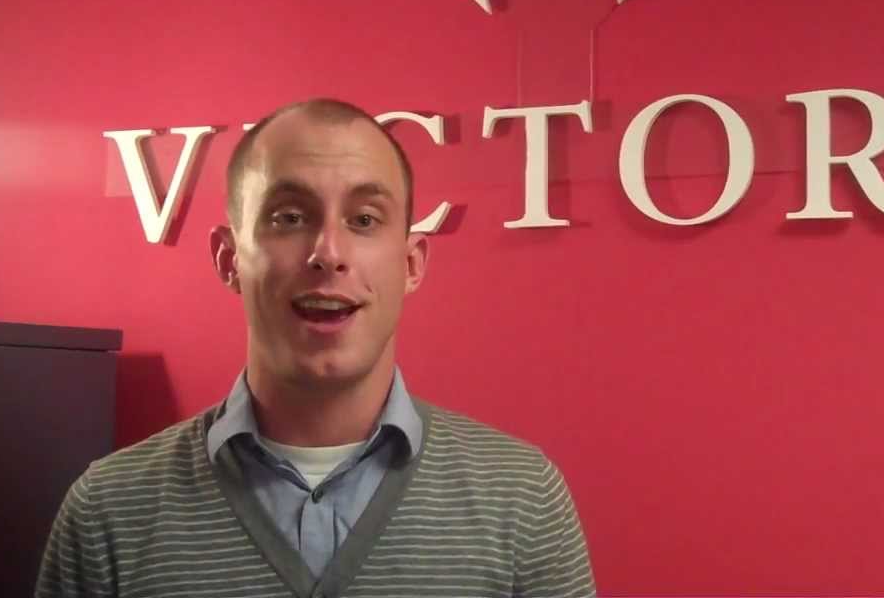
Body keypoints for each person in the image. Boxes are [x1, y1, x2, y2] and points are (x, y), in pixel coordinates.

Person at [35, 99, 595, 598]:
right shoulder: (108, 512)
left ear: (411, 263)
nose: (329, 253)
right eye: (290, 218)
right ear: (229, 259)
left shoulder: (522, 500)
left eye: (365, 219)